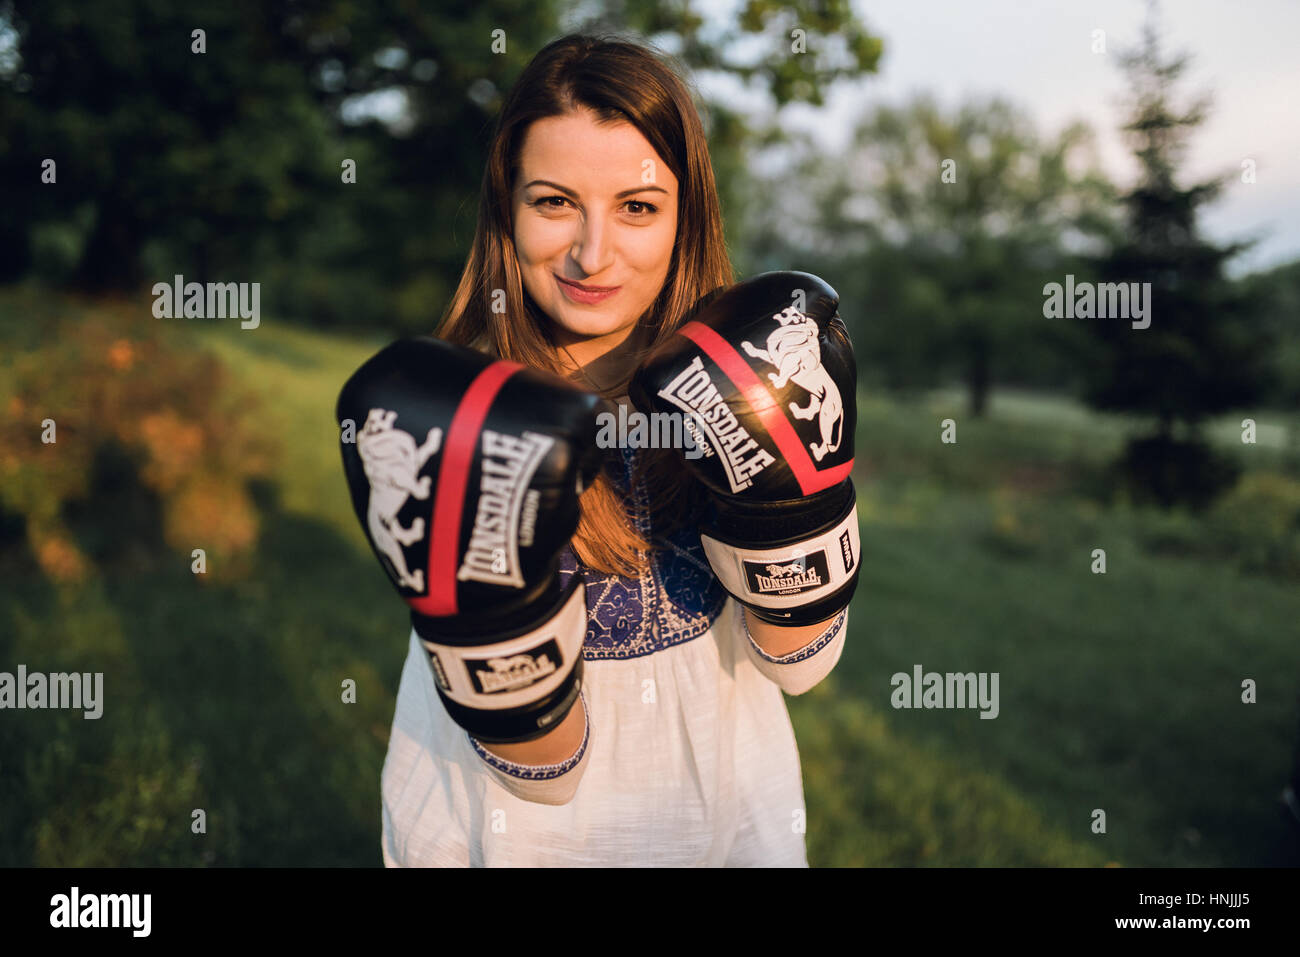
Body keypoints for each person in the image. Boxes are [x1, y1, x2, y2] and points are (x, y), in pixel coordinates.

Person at [348, 33, 858, 867]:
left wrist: (794, 497)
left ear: (684, 215)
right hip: (516, 829)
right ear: (505, 209)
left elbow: (799, 664)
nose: (592, 253)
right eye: (553, 202)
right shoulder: (454, 417)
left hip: (729, 812)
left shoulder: (749, 369)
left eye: (636, 206)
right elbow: (544, 776)